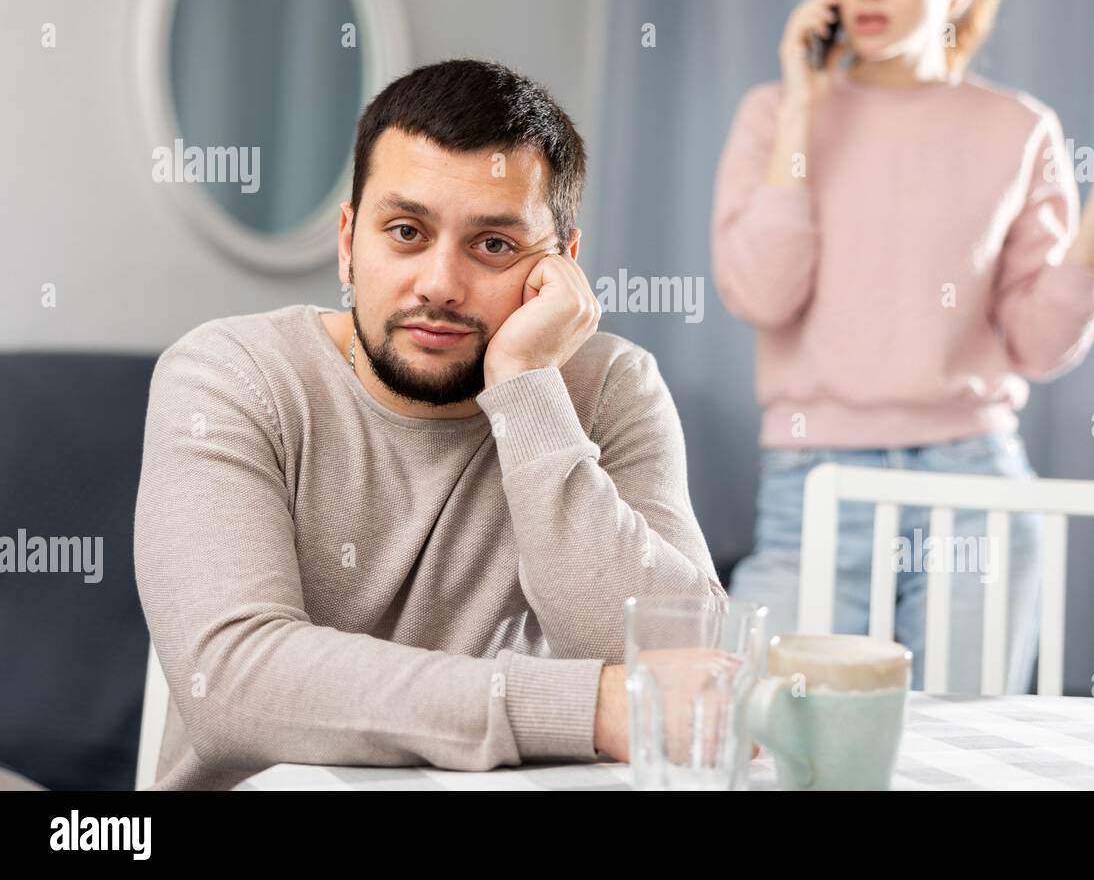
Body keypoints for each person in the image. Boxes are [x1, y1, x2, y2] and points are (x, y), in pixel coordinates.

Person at [134, 58, 726, 790]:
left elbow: (675, 661)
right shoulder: (229, 376)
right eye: (407, 231)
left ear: (563, 269)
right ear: (349, 242)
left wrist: (529, 389)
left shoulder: (610, 388)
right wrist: (580, 707)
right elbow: (229, 682)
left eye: (494, 245)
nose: (441, 285)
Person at [713, 0, 1094, 693]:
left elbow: (1039, 343)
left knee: (961, 757)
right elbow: (763, 292)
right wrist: (805, 104)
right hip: (812, 478)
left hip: (972, 481)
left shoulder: (1017, 129)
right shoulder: (774, 112)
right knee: (772, 738)